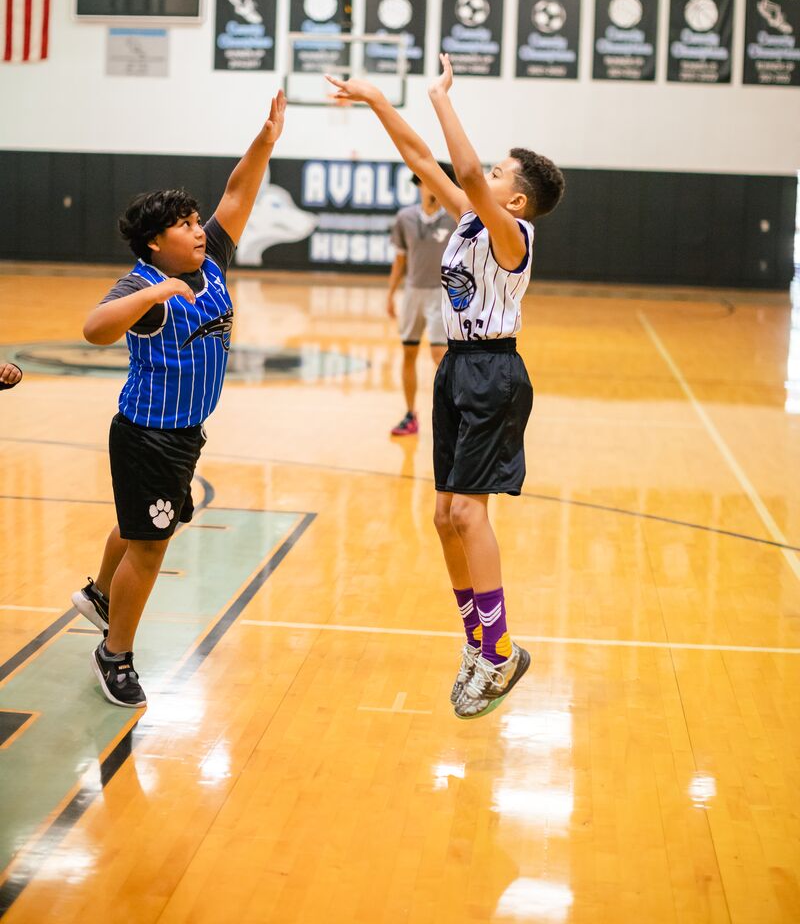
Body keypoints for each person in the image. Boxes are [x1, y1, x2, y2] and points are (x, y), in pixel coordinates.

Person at [327, 57, 564, 719]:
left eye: (499, 174)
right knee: (442, 518)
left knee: (467, 514)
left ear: (515, 201)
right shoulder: (468, 217)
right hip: (457, 368)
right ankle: (477, 642)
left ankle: (501, 651)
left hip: (494, 373)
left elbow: (463, 172)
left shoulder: (513, 234)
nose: (484, 174)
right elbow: (421, 158)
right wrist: (377, 99)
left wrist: (439, 96)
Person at [72, 91, 287, 708]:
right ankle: (114, 654)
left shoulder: (209, 261)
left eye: (197, 222)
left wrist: (266, 140)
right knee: (150, 546)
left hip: (184, 433)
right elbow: (93, 329)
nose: (199, 230)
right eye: (186, 225)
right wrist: (153, 294)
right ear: (153, 243)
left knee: (140, 522)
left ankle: (98, 594)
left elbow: (238, 193)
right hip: (148, 435)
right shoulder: (141, 285)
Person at [387, 171, 455, 437]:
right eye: (424, 183)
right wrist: (391, 294)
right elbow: (400, 260)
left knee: (440, 357)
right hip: (413, 293)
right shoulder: (405, 218)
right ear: (418, 186)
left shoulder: (455, 218)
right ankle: (410, 414)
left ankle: (453, 415)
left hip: (441, 294)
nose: (429, 188)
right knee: (409, 353)